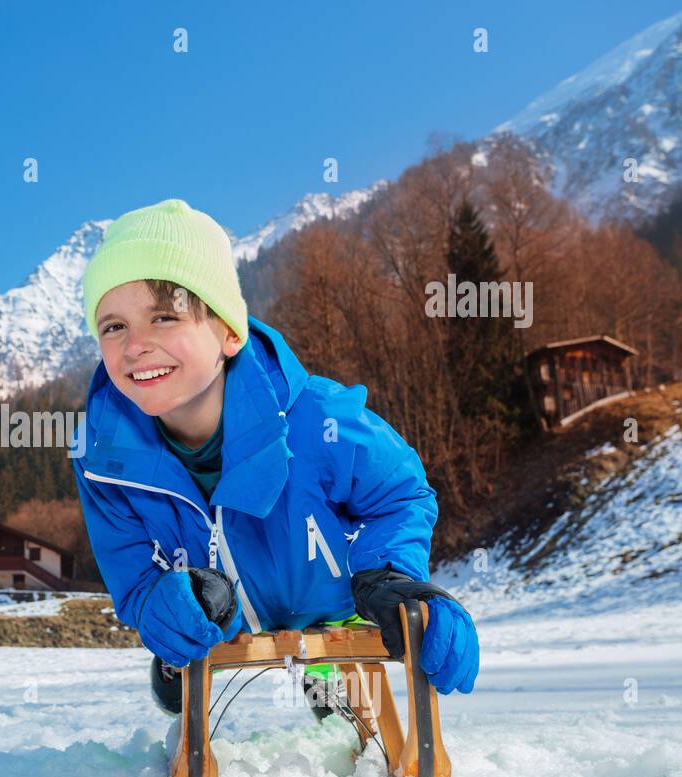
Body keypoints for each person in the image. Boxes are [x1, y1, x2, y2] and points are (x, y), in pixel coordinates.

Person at [70, 198, 479, 717]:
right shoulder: (102, 460)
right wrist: (158, 605)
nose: (135, 346)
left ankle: (325, 682)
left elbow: (400, 495)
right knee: (180, 626)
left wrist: (390, 574)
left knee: (339, 706)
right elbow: (129, 569)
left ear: (230, 332)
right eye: (114, 326)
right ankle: (180, 649)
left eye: (165, 317)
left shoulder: (317, 418)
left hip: (327, 604)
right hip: (219, 610)